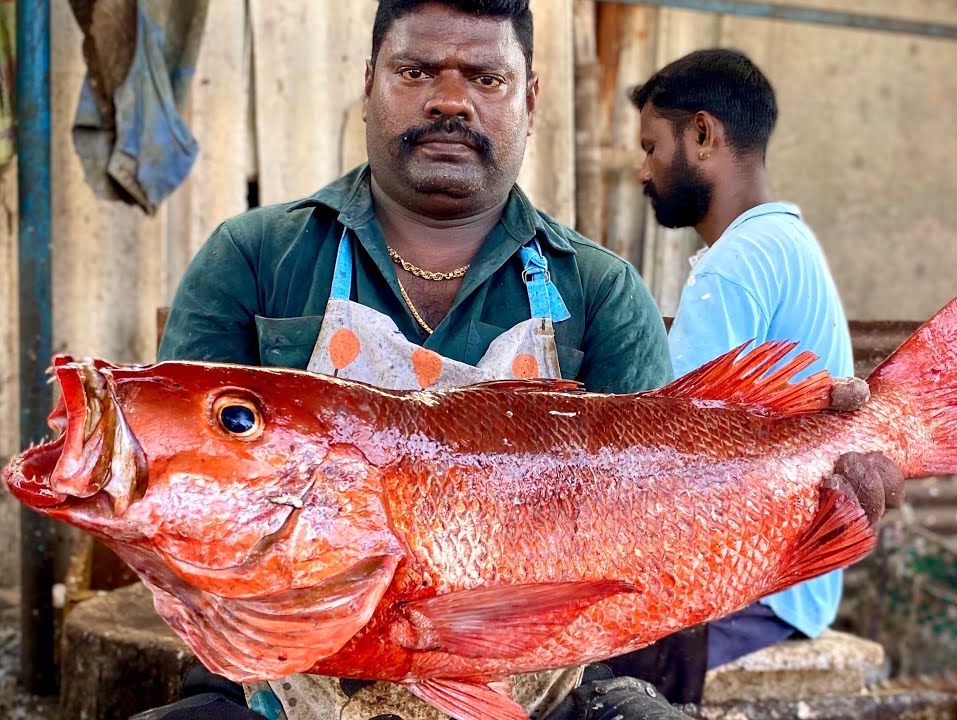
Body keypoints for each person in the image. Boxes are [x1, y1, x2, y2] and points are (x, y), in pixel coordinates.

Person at [135, 4, 901, 716]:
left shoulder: (599, 290)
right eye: (416, 72)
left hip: (552, 690)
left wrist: (809, 488)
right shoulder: (259, 256)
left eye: (485, 78)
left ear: (529, 98)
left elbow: (672, 507)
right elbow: (177, 495)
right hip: (274, 687)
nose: (448, 101)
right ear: (368, 85)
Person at [607, 46, 905, 704]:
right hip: (799, 589)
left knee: (586, 673)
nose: (642, 171)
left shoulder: (736, 262)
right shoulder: (786, 243)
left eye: (652, 147)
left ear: (704, 135)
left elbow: (676, 447)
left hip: (758, 590)